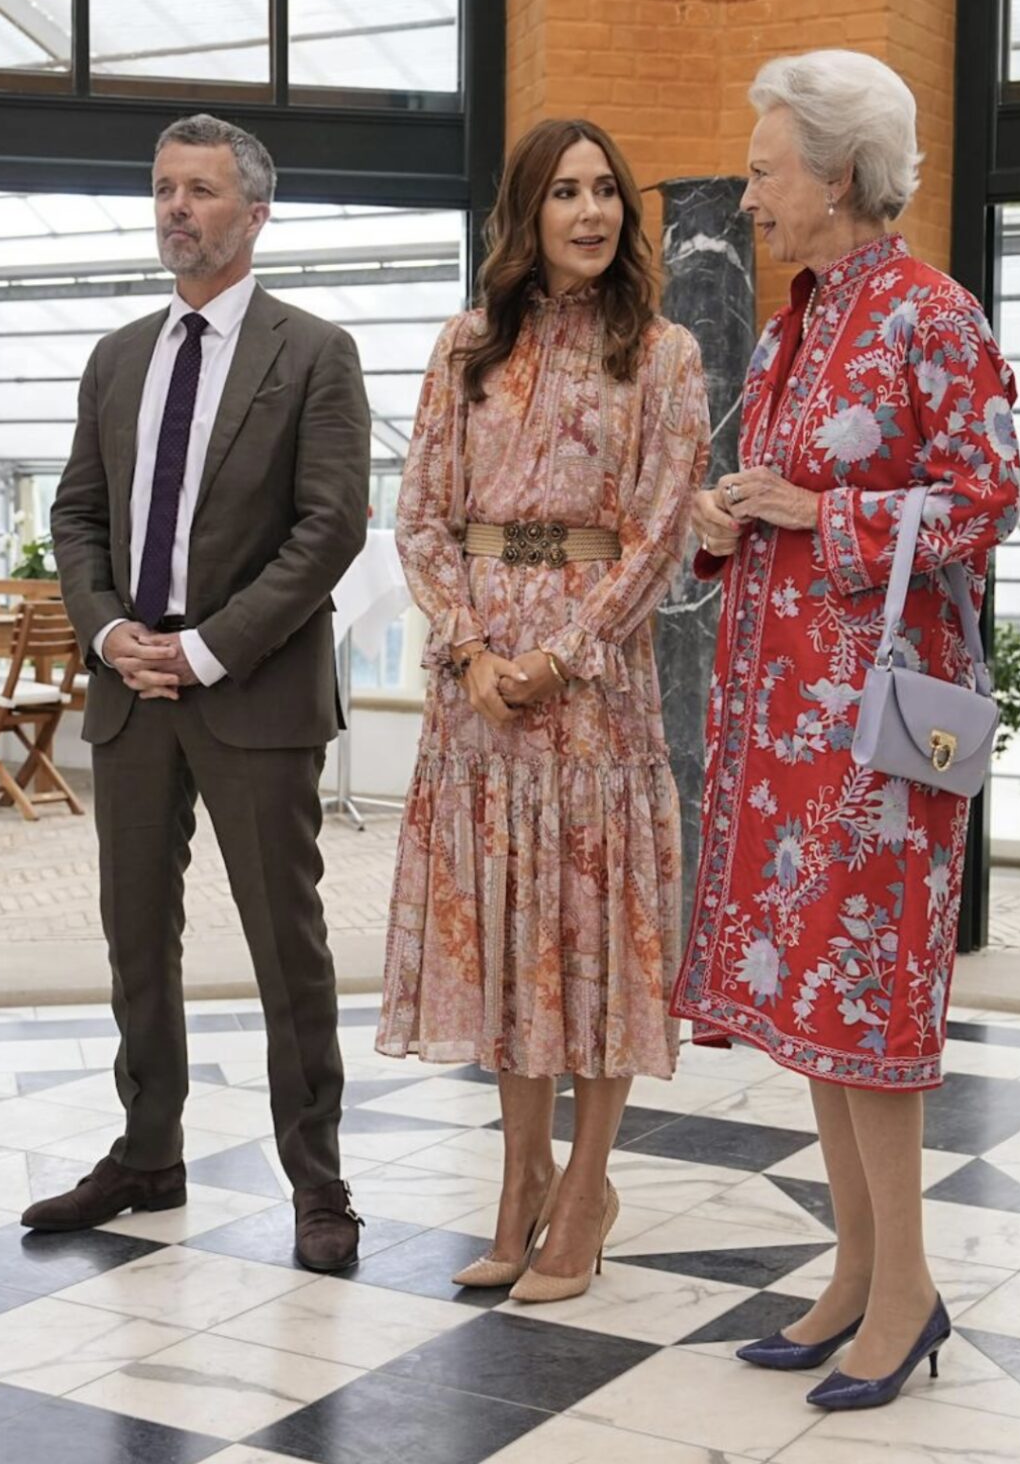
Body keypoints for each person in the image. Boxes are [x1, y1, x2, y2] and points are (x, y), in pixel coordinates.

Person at [672, 51, 1020, 1409]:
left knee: (868, 1009)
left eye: (765, 172)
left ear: (838, 173)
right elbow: (772, 491)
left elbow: (986, 499)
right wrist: (724, 519)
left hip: (879, 744)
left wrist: (827, 516)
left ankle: (911, 1291)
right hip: (776, 735)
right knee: (815, 1009)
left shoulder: (934, 315)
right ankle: (856, 1272)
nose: (749, 198)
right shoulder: (791, 325)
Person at [29, 113, 371, 1272]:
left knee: (288, 944)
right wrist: (112, 629)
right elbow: (77, 515)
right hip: (131, 690)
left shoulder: (313, 350)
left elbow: (330, 527)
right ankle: (147, 1152)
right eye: (164, 188)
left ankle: (318, 1182)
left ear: (254, 212)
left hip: (252, 691)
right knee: (136, 936)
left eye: (202, 191)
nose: (177, 208)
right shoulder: (118, 354)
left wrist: (211, 646)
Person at [377, 117, 710, 1303]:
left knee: (592, 931)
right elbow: (418, 513)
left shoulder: (661, 353)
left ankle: (584, 1191)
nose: (589, 212)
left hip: (595, 689)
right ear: (526, 212)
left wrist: (566, 652)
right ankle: (518, 1183)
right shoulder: (466, 345)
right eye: (564, 192)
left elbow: (664, 522)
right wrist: (469, 651)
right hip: (477, 698)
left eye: (606, 191)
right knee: (512, 933)